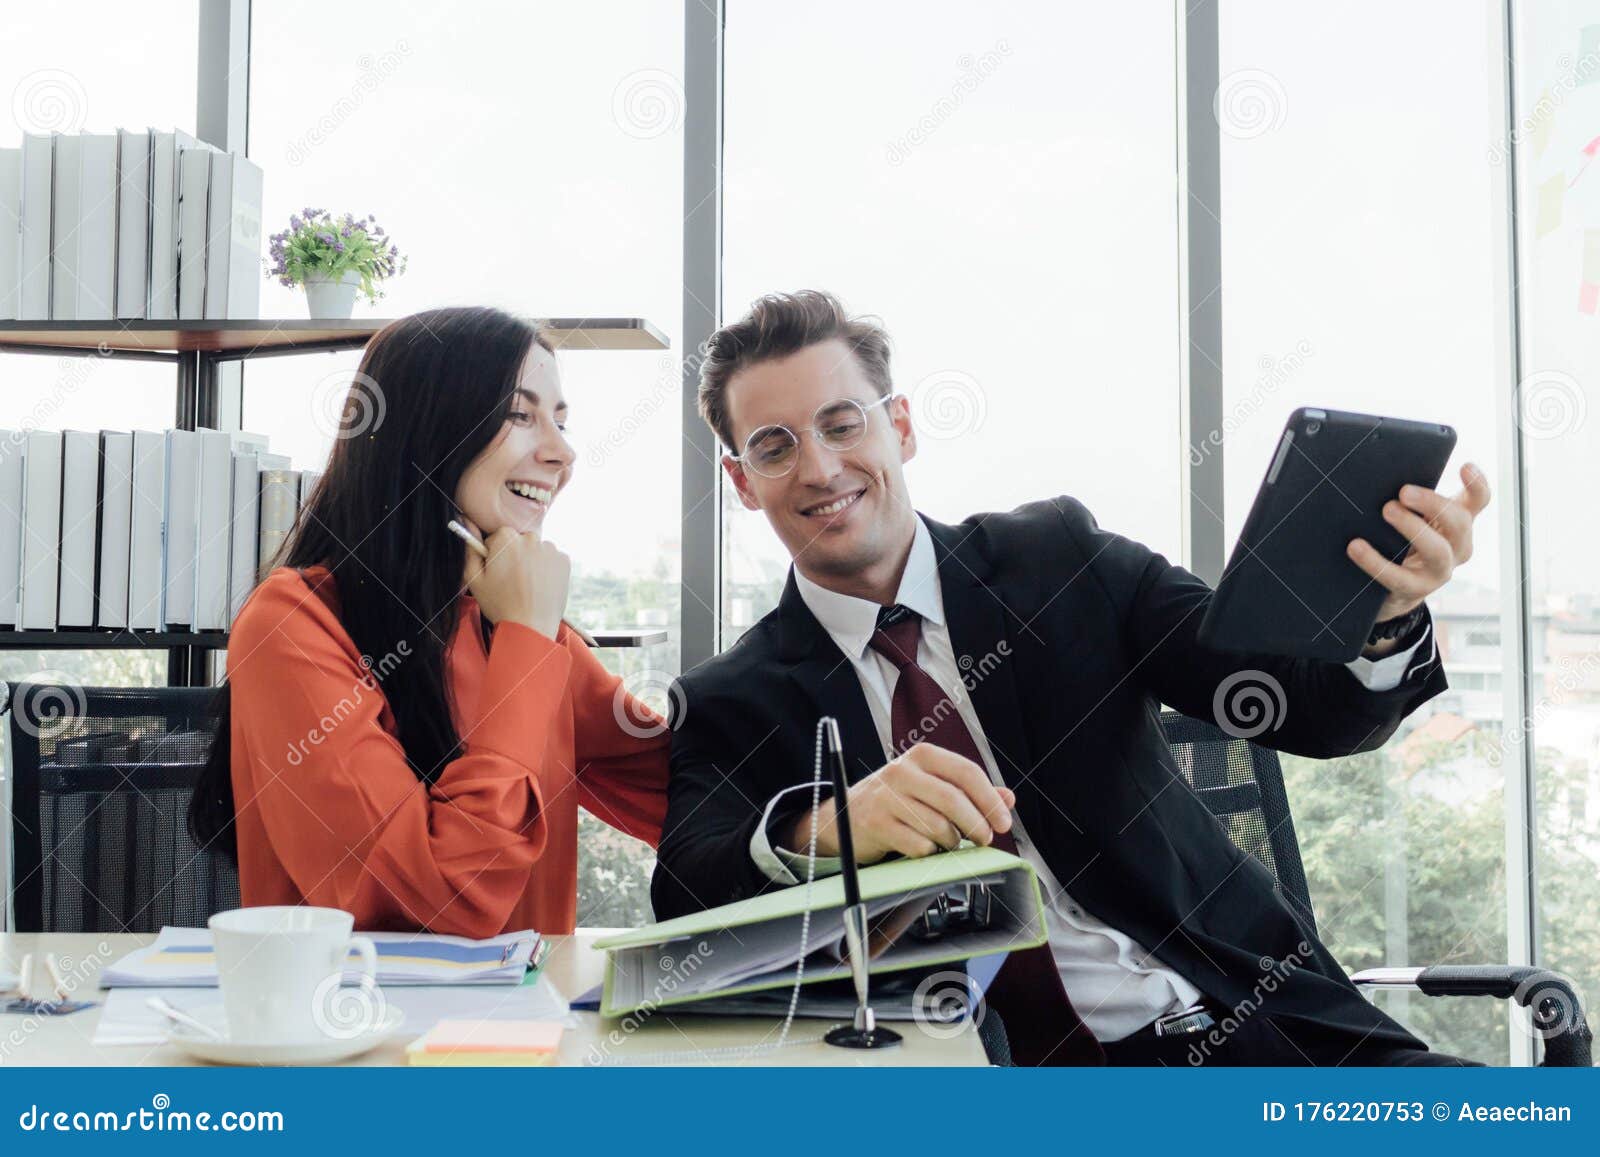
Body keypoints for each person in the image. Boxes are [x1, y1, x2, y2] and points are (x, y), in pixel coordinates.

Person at [652, 290, 1493, 1066]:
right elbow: (685, 895)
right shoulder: (733, 695)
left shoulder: (1059, 559)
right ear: (741, 481)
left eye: (843, 424)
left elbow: (1305, 710)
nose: (820, 468)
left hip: (1260, 1031)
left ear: (901, 426)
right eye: (774, 445)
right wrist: (826, 829)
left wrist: (1378, 617)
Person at [189, 307, 670, 937]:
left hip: (529, 1027)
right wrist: (527, 638)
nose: (561, 452)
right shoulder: (293, 625)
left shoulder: (508, 621)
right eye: (518, 414)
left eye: (560, 420)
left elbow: (685, 791)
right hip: (360, 1027)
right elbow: (438, 899)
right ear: (427, 431)